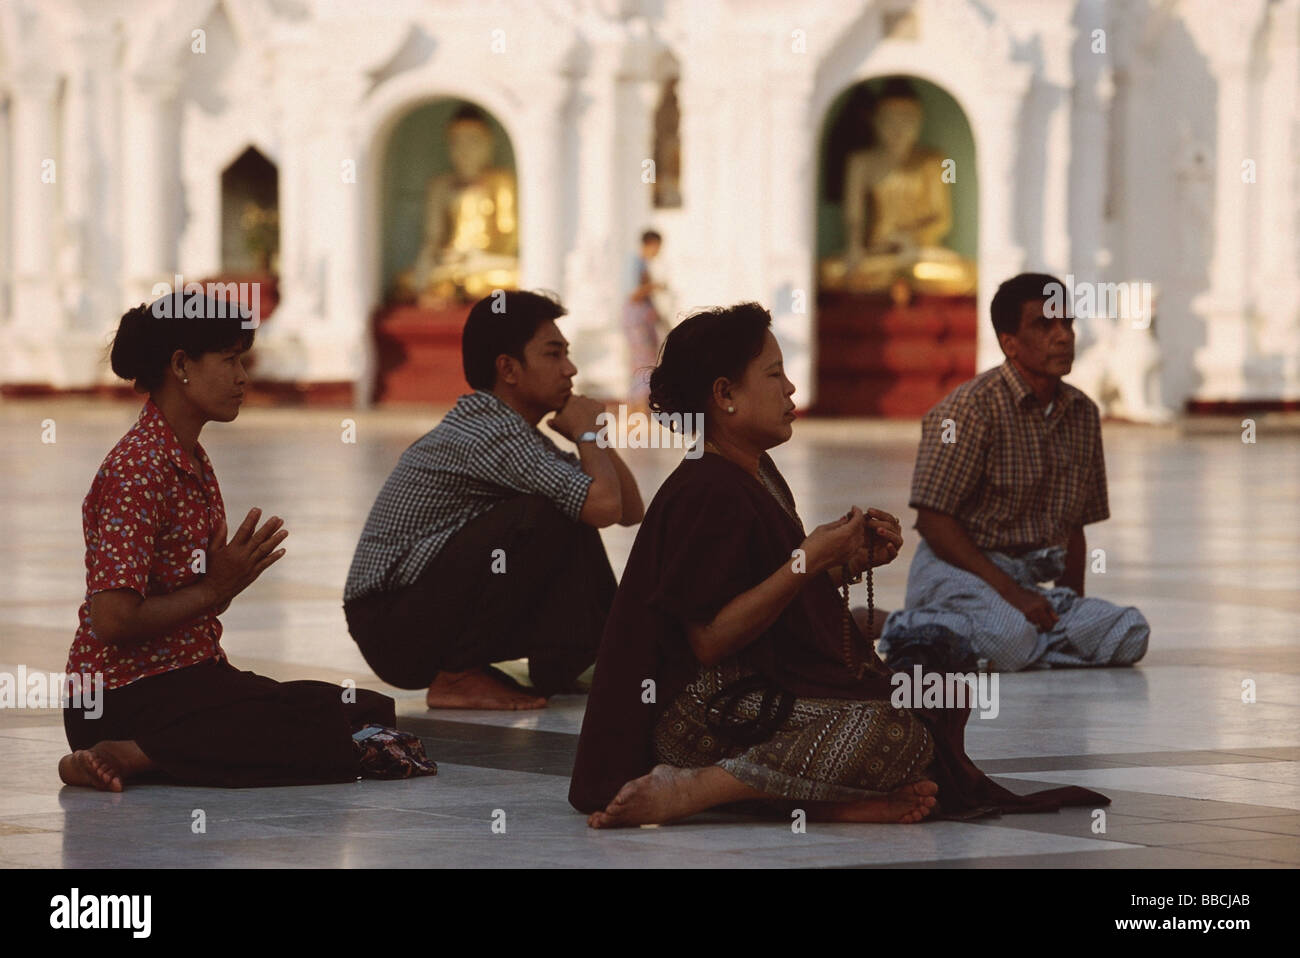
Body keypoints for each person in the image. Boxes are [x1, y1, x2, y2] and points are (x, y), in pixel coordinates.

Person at [569, 301, 1107, 826]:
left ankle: (827, 806)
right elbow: (710, 639)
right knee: (896, 734)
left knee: (923, 703)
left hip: (751, 697)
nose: (790, 389)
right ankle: (697, 788)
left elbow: (765, 593)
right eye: (775, 374)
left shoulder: (757, 473)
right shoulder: (706, 489)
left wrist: (842, 565)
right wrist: (809, 559)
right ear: (725, 395)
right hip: (701, 715)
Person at [60, 292, 412, 792]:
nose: (243, 377)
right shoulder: (138, 468)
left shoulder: (190, 457)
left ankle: (157, 752)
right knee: (318, 736)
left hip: (187, 679)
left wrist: (217, 586)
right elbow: (111, 619)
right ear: (180, 365)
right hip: (123, 695)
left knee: (360, 711)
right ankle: (131, 752)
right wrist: (214, 590)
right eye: (229, 361)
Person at [344, 290, 643, 710]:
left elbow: (630, 511)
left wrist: (591, 435)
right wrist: (589, 434)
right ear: (509, 368)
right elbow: (606, 507)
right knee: (545, 515)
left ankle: (590, 657)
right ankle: (458, 676)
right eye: (553, 355)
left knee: (564, 507)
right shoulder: (491, 432)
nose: (570, 370)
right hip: (391, 624)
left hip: (414, 615)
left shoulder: (516, 433)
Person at [879, 273, 1151, 672]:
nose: (1063, 336)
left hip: (1025, 580)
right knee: (1012, 639)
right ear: (1010, 344)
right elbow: (934, 523)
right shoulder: (968, 410)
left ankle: (960, 641)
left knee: (1129, 632)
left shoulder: (1083, 414)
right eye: (1045, 325)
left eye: (1068, 323)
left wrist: (1070, 607)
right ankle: (894, 623)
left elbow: (1075, 528)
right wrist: (1013, 596)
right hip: (956, 574)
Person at [623, 229, 671, 411]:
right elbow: (633, 295)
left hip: (643, 319)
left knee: (646, 360)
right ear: (651, 244)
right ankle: (640, 406)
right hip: (636, 320)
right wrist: (655, 286)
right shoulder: (635, 262)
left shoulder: (642, 263)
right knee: (643, 362)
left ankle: (640, 405)